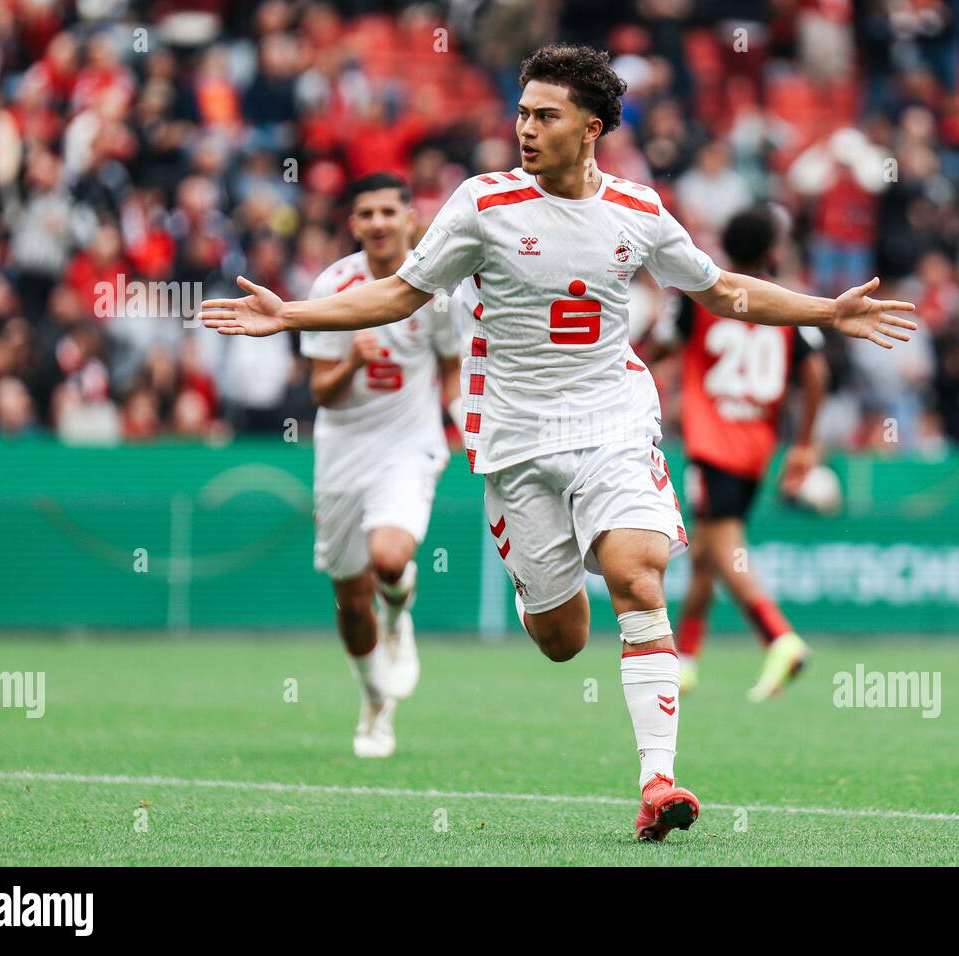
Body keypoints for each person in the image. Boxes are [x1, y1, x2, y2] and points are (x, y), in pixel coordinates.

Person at [199, 44, 917, 842]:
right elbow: (401, 293)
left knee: (637, 577)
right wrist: (291, 314)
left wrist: (827, 311)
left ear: (593, 128)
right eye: (522, 113)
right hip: (514, 443)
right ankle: (541, 585)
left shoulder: (639, 212)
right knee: (562, 640)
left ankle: (658, 782)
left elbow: (725, 290)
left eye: (545, 116)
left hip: (614, 420)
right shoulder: (482, 205)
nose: (526, 129)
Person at [301, 172, 463, 758]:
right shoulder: (332, 286)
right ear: (353, 224)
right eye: (365, 214)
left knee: (388, 556)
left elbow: (451, 365)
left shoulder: (435, 290)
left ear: (410, 219)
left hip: (408, 443)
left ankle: (400, 607)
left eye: (387, 212)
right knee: (348, 596)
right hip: (343, 450)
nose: (377, 223)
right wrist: (349, 361)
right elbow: (320, 392)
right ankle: (375, 701)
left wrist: (456, 422)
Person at [643, 205, 829, 700]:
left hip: (714, 440)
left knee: (724, 545)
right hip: (757, 443)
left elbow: (654, 349)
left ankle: (779, 637)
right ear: (773, 250)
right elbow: (815, 372)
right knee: (705, 551)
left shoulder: (702, 294)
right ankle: (685, 660)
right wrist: (804, 443)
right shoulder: (786, 302)